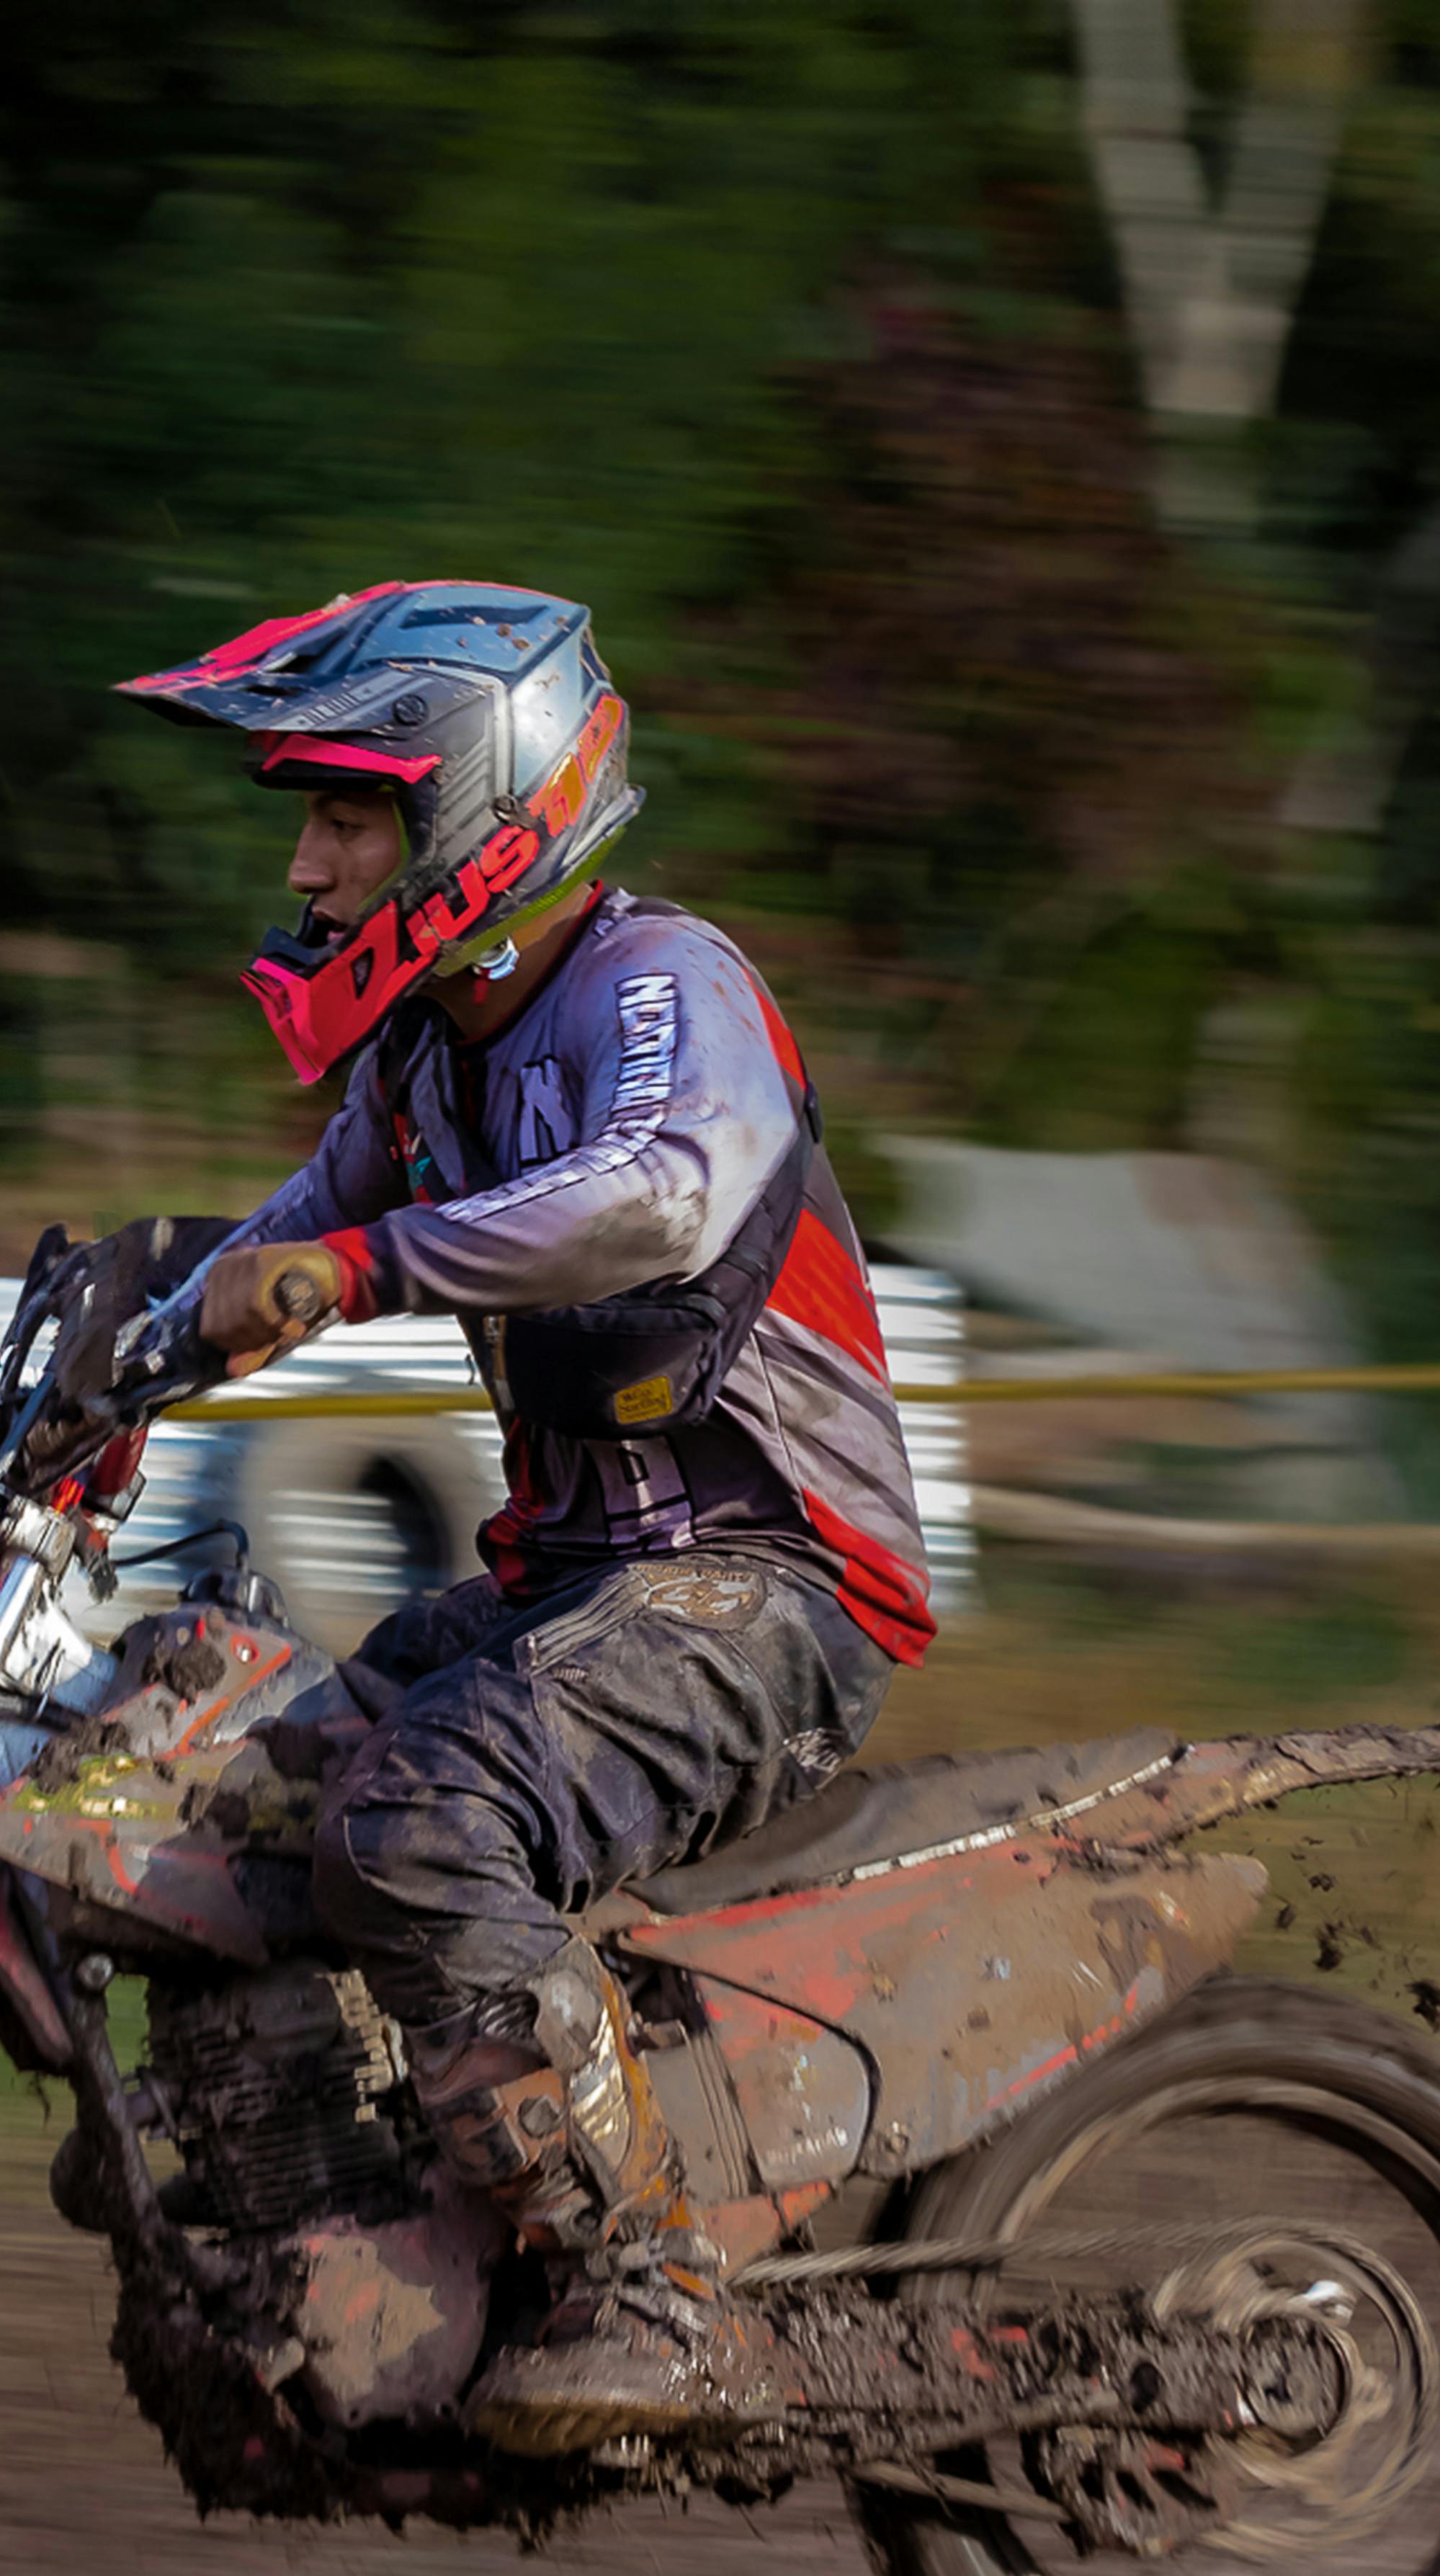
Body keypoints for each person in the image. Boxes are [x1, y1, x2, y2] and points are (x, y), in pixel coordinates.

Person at [104, 580, 937, 2451]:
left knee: (418, 1815)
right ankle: (326, 2204)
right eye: (306, 818)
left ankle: (644, 2283)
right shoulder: (423, 1053)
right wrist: (100, 1391)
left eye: (345, 813)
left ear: (480, 808)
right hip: (574, 1589)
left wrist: (362, 1270)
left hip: (764, 1591)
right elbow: (273, 1244)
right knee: (205, 1794)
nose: (309, 864)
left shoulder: (662, 984)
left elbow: (662, 1192)